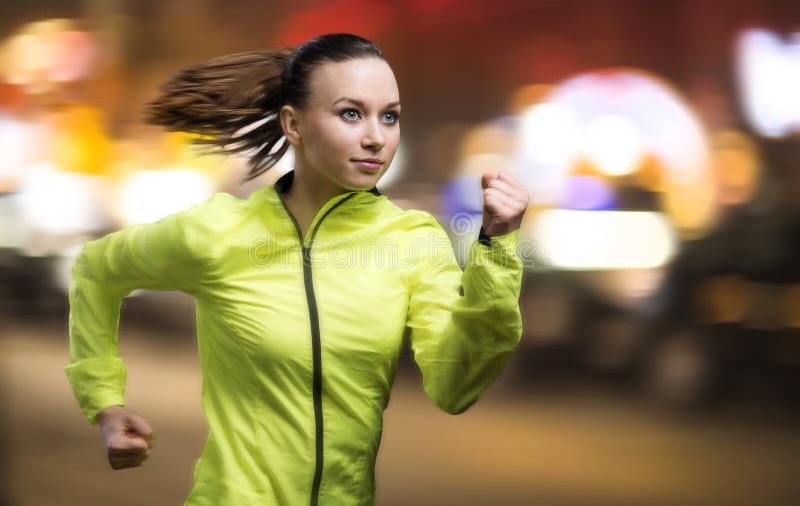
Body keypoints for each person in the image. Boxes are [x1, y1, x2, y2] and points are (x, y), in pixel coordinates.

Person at [64, 33, 529, 505]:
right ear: (294, 124)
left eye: (389, 116)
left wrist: (496, 247)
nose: (376, 136)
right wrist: (105, 401)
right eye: (351, 113)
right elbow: (96, 270)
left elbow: (455, 387)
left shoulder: (412, 241)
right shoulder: (219, 231)